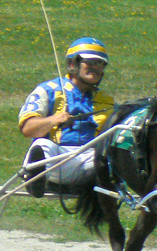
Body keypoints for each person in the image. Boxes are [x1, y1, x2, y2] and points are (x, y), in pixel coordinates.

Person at [19, 37, 115, 198]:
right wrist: (53, 120)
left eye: (100, 64)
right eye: (90, 62)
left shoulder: (107, 101)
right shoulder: (47, 90)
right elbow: (28, 129)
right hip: (55, 160)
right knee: (42, 144)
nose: (96, 68)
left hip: (89, 162)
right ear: (72, 64)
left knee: (109, 155)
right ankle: (35, 181)